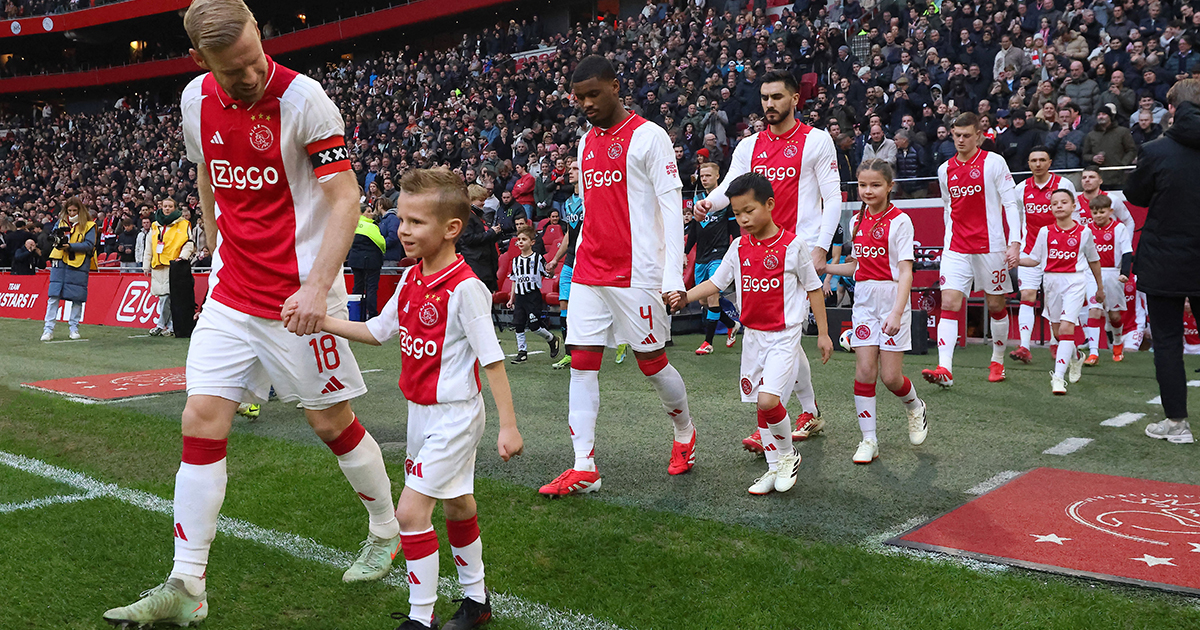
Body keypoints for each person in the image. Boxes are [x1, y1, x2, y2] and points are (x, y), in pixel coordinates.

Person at [104, 2, 400, 626]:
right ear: (199, 61)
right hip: (231, 296)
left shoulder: (305, 100)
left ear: (260, 36)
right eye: (233, 69)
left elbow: (346, 199)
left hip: (299, 299)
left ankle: (385, 528)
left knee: (331, 422)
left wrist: (317, 289)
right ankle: (187, 584)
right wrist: (214, 245)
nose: (251, 74)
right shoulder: (195, 99)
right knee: (201, 418)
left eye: (255, 57)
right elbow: (208, 176)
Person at [307, 169, 522, 630]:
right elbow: (377, 331)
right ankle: (477, 601)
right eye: (402, 219)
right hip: (419, 415)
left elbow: (492, 361)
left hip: (455, 417)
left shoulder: (466, 288)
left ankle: (420, 618)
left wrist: (508, 426)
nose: (403, 230)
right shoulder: (409, 279)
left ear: (451, 229)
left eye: (416, 222)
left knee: (409, 513)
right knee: (458, 504)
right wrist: (320, 320)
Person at [537, 55, 695, 497]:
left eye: (593, 94)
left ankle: (685, 431)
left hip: (638, 272)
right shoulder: (585, 142)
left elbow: (671, 208)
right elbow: (592, 210)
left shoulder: (649, 136)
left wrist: (673, 275)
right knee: (582, 363)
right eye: (579, 98)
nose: (586, 104)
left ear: (615, 87)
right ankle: (584, 465)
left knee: (652, 363)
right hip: (589, 269)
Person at [696, 69, 842, 443]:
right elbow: (730, 186)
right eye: (764, 98)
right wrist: (709, 203)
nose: (770, 104)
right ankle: (809, 410)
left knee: (784, 332)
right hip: (759, 252)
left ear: (795, 99)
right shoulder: (749, 146)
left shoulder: (817, 141)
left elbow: (832, 198)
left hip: (797, 251)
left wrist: (821, 247)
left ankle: (770, 427)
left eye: (777, 97)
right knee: (782, 335)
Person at [667, 172, 832, 494]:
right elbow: (716, 283)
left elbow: (813, 288)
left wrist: (823, 334)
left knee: (769, 401)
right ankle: (773, 467)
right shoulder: (739, 246)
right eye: (737, 213)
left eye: (749, 210)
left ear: (769, 204)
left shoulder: (793, 245)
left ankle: (788, 456)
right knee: (760, 405)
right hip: (753, 336)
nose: (743, 219)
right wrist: (685, 296)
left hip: (784, 335)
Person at [825, 159, 928, 464]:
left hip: (893, 298)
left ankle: (915, 406)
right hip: (865, 300)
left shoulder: (901, 221)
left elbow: (906, 272)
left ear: (889, 186)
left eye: (875, 185)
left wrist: (897, 312)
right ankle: (869, 439)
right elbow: (857, 267)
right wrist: (825, 267)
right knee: (865, 371)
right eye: (862, 185)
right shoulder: (856, 221)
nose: (868, 191)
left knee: (891, 377)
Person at [1123, 77, 1200, 445]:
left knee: (1167, 342)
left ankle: (1177, 423)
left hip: (1163, 259)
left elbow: (1135, 194)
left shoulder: (1156, 150)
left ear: (1171, 108)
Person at [923, 113, 1022, 387]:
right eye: (957, 135)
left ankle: (997, 360)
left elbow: (1011, 203)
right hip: (956, 247)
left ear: (979, 135)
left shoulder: (994, 162)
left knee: (996, 305)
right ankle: (945, 368)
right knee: (950, 303)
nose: (961, 140)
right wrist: (947, 239)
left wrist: (1015, 242)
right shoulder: (945, 169)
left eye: (967, 135)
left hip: (991, 247)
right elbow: (948, 207)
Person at [1019, 189, 1103, 394]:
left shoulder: (1084, 232)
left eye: (1064, 202)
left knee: (1066, 328)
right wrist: (1014, 260)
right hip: (1051, 282)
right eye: (1054, 203)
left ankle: (1058, 378)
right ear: (1050, 208)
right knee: (1057, 332)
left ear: (1073, 206)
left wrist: (1100, 287)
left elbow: (1094, 260)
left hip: (1075, 281)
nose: (1059, 206)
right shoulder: (1045, 232)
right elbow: (1034, 259)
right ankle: (1076, 357)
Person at [1010, 146, 1077, 364]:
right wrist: (1016, 245)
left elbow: (1074, 216)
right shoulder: (1021, 188)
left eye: (1042, 160)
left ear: (1050, 163)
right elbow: (1018, 220)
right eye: (1033, 160)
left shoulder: (1063, 185)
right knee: (1027, 295)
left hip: (1058, 252)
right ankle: (1024, 346)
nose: (1038, 164)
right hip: (1030, 250)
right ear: (1028, 164)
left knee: (1053, 299)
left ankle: (1056, 342)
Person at [686, 161, 742, 355]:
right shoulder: (698, 199)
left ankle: (707, 343)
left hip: (719, 254)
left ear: (718, 177)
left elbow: (734, 228)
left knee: (712, 296)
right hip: (701, 256)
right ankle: (731, 324)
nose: (704, 179)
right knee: (704, 301)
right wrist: (685, 251)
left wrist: (739, 248)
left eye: (708, 175)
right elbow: (694, 230)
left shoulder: (725, 200)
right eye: (702, 176)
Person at [1082, 195, 1134, 365]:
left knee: (1115, 316)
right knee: (1094, 311)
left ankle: (1117, 343)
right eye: (1095, 212)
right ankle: (1093, 352)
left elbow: (1127, 252)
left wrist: (1125, 273)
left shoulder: (1119, 228)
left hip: (1113, 274)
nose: (1098, 215)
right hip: (1092, 274)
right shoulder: (1086, 229)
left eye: (1102, 212)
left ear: (1110, 211)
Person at [41, 197, 96, 342]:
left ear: (80, 210)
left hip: (78, 263)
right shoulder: (60, 223)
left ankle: (74, 328)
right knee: (53, 296)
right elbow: (52, 237)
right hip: (59, 261)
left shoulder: (89, 225)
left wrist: (71, 246)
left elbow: (89, 245)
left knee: (77, 297)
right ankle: (48, 329)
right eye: (69, 210)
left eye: (74, 210)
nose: (71, 213)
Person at [506, 226, 561, 364]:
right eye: (518, 239)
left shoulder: (537, 258)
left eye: (524, 239)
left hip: (533, 296)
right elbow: (514, 280)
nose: (520, 242)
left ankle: (552, 339)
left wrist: (551, 271)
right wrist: (512, 298)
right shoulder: (515, 261)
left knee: (534, 326)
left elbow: (548, 274)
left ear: (532, 242)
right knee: (518, 324)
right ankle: (522, 352)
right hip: (520, 297)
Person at [547, 161, 583, 370]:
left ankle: (620, 339)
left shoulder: (591, 199)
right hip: (570, 259)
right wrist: (554, 259)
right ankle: (570, 353)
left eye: (575, 169)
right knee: (564, 304)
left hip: (588, 259)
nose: (570, 172)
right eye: (570, 169)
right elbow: (569, 234)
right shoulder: (569, 202)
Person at [143, 197, 194, 337]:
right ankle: (171, 326)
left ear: (175, 208)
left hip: (174, 265)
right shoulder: (155, 225)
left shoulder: (183, 224)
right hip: (158, 265)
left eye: (170, 206)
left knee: (168, 296)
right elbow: (149, 246)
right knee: (163, 298)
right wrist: (146, 264)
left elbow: (189, 243)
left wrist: (183, 257)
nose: (167, 209)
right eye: (165, 206)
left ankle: (160, 325)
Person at [458, 183, 502, 292]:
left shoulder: (478, 216)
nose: (483, 203)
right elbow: (468, 239)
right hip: (476, 264)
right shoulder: (467, 216)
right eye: (480, 200)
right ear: (471, 200)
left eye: (484, 200)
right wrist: (491, 233)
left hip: (485, 264)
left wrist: (495, 234)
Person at [347, 202, 385, 321]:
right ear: (361, 213)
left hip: (355, 261)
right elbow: (382, 243)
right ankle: (372, 315)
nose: (371, 214)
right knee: (371, 289)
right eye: (368, 211)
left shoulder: (351, 225)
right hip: (372, 262)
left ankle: (355, 314)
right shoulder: (371, 227)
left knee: (357, 288)